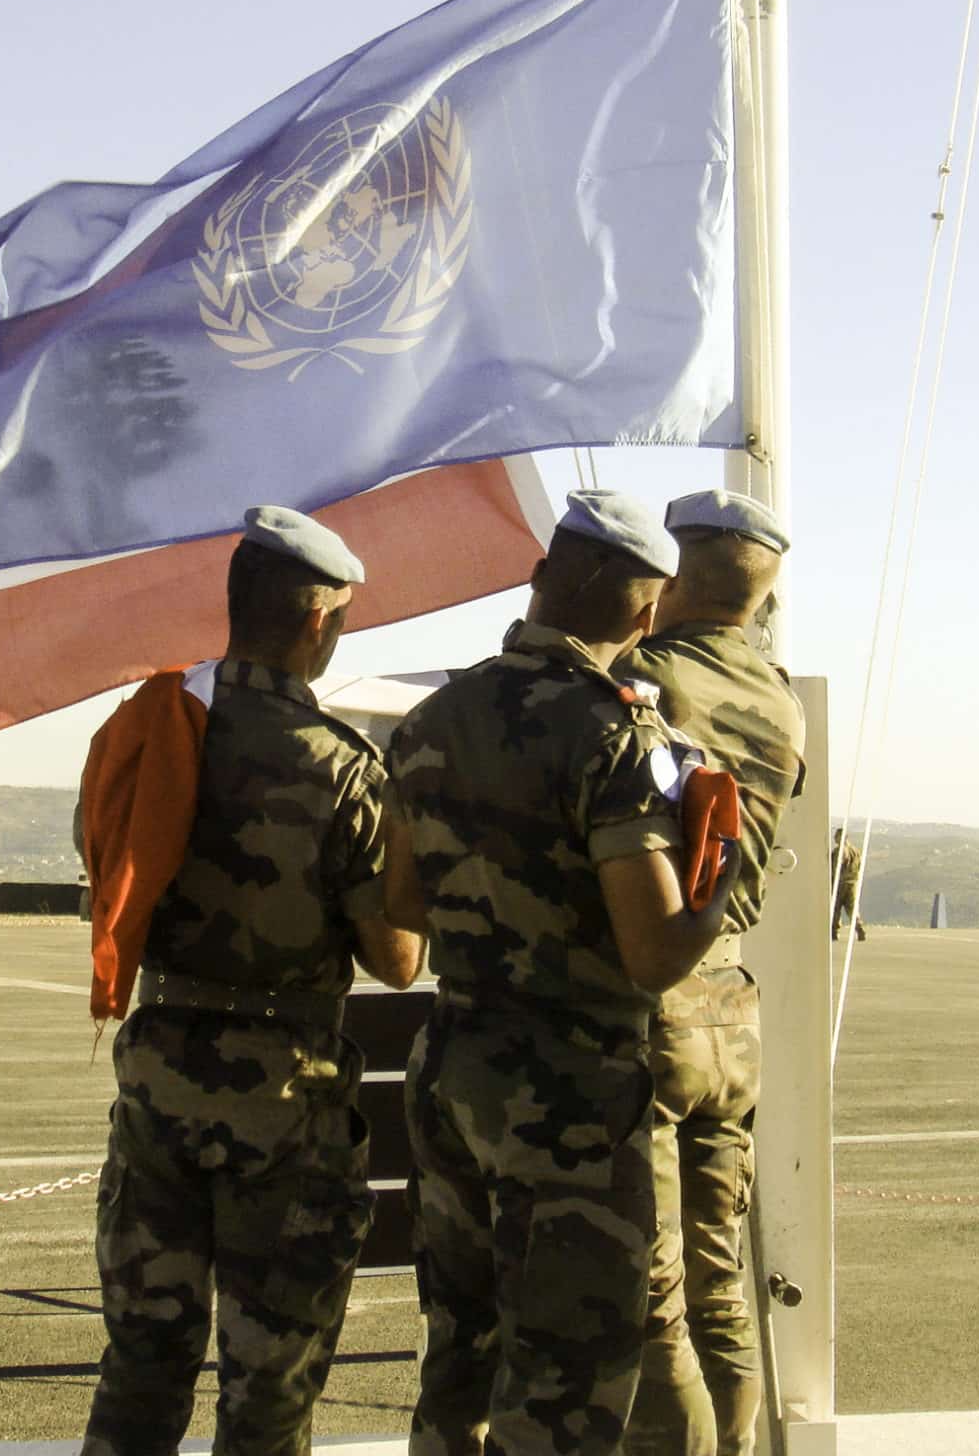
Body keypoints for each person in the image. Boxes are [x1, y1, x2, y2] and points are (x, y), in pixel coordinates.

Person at [387, 491, 736, 1456]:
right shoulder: (619, 737)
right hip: (570, 1092)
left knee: (459, 1360)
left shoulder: (430, 718)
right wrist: (718, 889)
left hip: (455, 1064)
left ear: (540, 578)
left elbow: (402, 904)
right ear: (646, 614)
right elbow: (653, 952)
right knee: (568, 1382)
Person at [81, 507, 424, 1456]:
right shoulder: (341, 766)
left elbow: (108, 875)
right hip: (284, 1102)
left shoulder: (145, 732)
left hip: (158, 1081)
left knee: (142, 1365)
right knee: (268, 1384)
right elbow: (397, 961)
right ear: (317, 622)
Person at [617, 489, 807, 1456]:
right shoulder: (780, 697)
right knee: (718, 1282)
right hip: (730, 1007)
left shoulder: (646, 678)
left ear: (674, 576)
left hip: (654, 996)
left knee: (653, 1297)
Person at [827, 828, 865, 942]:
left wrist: (832, 879)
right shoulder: (856, 851)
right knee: (852, 908)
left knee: (836, 907)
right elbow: (859, 866)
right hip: (853, 883)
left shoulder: (839, 851)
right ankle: (859, 927)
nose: (834, 838)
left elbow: (835, 867)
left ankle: (834, 931)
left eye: (836, 836)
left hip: (840, 883)